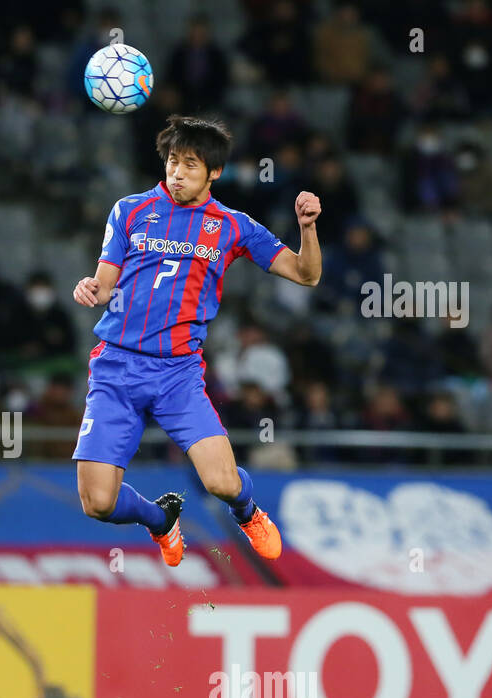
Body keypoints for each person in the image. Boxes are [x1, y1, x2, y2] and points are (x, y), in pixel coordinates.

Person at [71, 115, 323, 566]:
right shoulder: (129, 210)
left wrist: (307, 228)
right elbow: (105, 283)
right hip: (116, 368)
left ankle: (248, 513)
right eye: (172, 161)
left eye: (191, 164)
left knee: (222, 483)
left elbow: (307, 274)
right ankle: (160, 520)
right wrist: (91, 288)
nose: (178, 172)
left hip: (177, 374)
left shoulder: (232, 225)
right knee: (97, 503)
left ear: (215, 172)